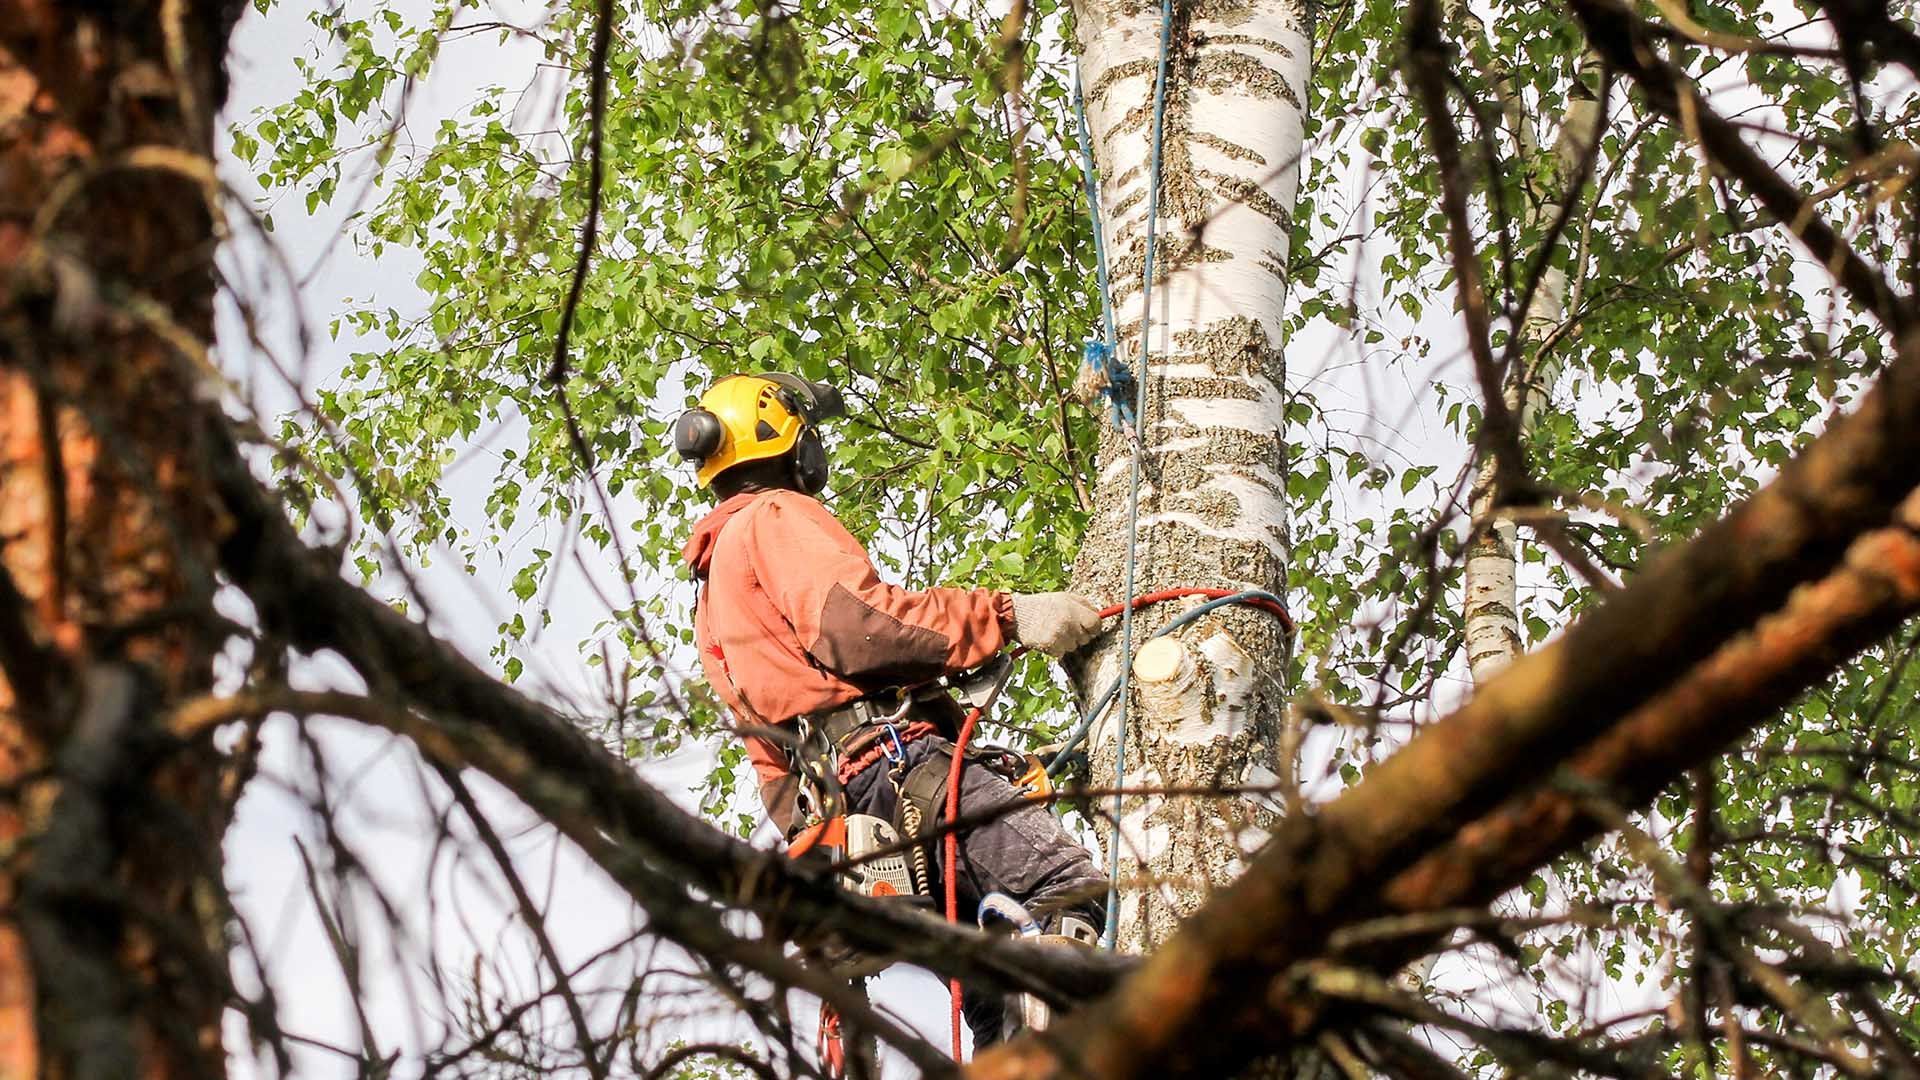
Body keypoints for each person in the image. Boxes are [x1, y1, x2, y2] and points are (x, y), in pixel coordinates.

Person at [674, 371, 1108, 1048]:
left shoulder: (711, 594)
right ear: (785, 440)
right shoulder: (774, 517)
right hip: (900, 770)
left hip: (852, 820)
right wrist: (1008, 616)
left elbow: (771, 765)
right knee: (1064, 890)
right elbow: (857, 625)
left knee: (993, 988)